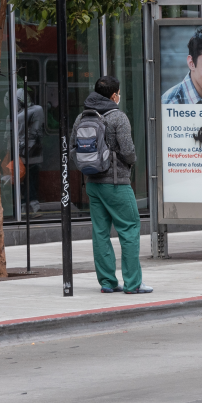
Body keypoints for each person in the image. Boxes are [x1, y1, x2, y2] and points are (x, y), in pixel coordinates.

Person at [76, 76, 150, 294]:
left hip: (92, 183)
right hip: (116, 183)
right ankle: (133, 283)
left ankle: (107, 282)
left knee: (100, 233)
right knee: (129, 228)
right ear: (114, 95)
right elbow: (128, 150)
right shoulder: (118, 117)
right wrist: (130, 163)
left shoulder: (82, 117)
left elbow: (73, 149)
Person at [15, 88, 44, 215]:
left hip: (28, 151)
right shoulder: (25, 112)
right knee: (27, 180)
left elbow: (34, 132)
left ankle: (31, 205)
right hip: (27, 151)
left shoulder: (34, 111)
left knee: (29, 179)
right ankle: (28, 205)